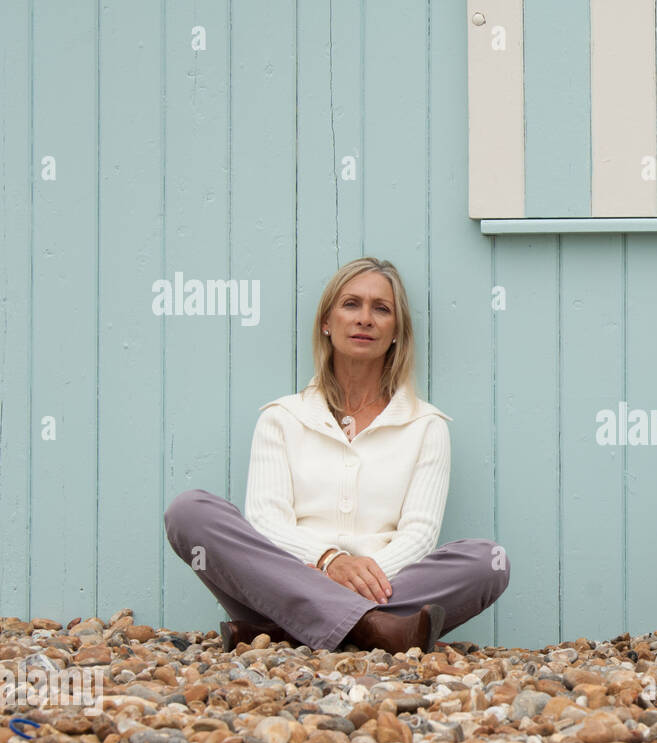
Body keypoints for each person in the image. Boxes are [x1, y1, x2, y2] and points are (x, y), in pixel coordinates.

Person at [164, 257, 509, 654]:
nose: (365, 318)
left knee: (488, 560)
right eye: (351, 304)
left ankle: (284, 632)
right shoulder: (282, 418)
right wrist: (328, 562)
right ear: (326, 323)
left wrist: (355, 577)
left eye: (381, 309)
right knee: (189, 512)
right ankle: (377, 630)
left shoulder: (427, 426)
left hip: (381, 582)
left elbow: (419, 536)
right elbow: (266, 521)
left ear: (396, 331)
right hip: (285, 577)